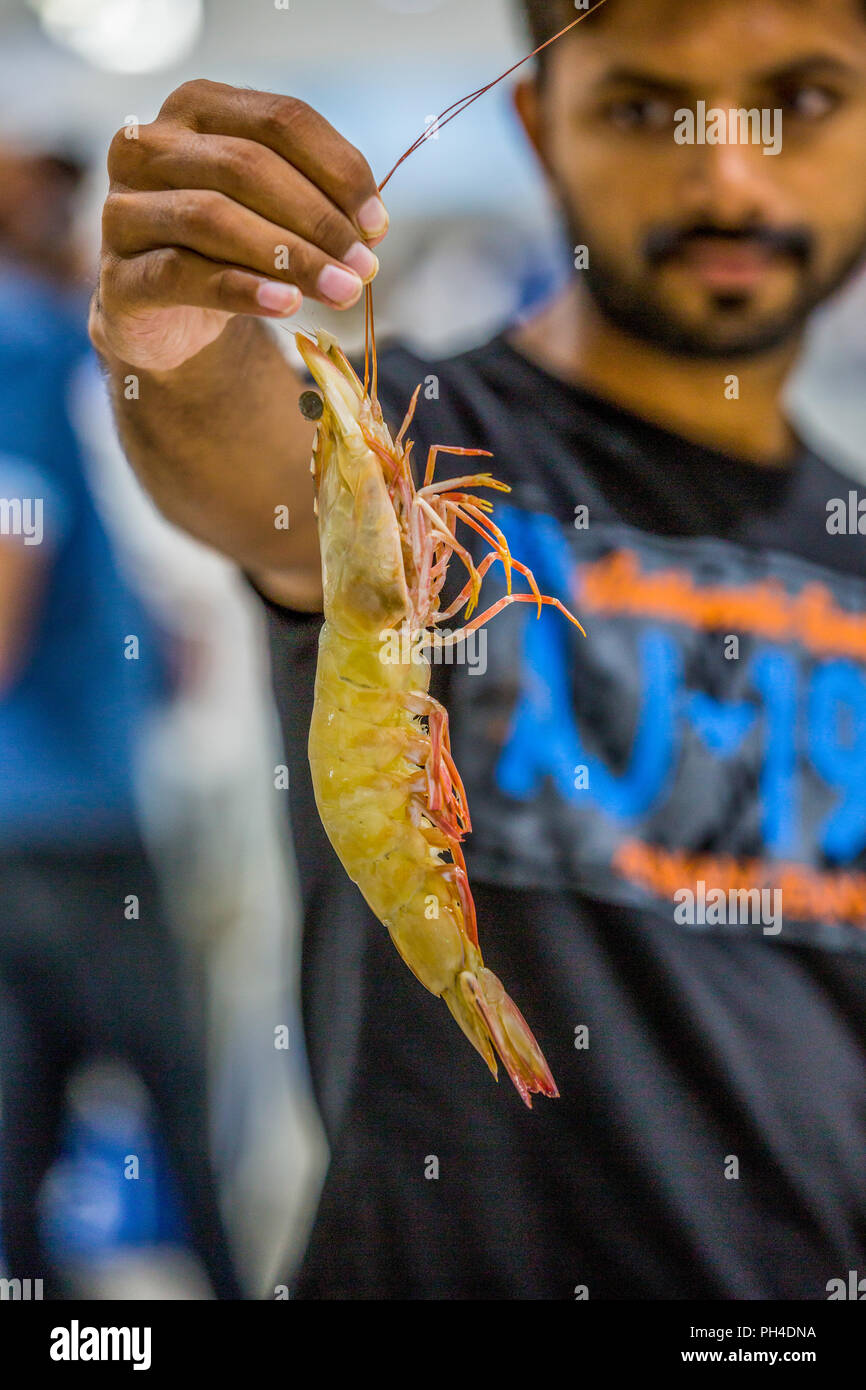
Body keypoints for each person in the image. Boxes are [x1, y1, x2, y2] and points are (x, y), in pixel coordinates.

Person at [88, 0, 866, 1298]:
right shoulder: (430, 420)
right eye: (642, 107)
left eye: (798, 100)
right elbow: (259, 477)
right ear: (536, 120)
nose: (725, 172)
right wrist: (176, 349)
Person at [0, 146, 242, 1299]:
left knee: (29, 1120)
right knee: (176, 1112)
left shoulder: (39, 342)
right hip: (64, 824)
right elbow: (11, 545)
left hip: (54, 805)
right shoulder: (20, 334)